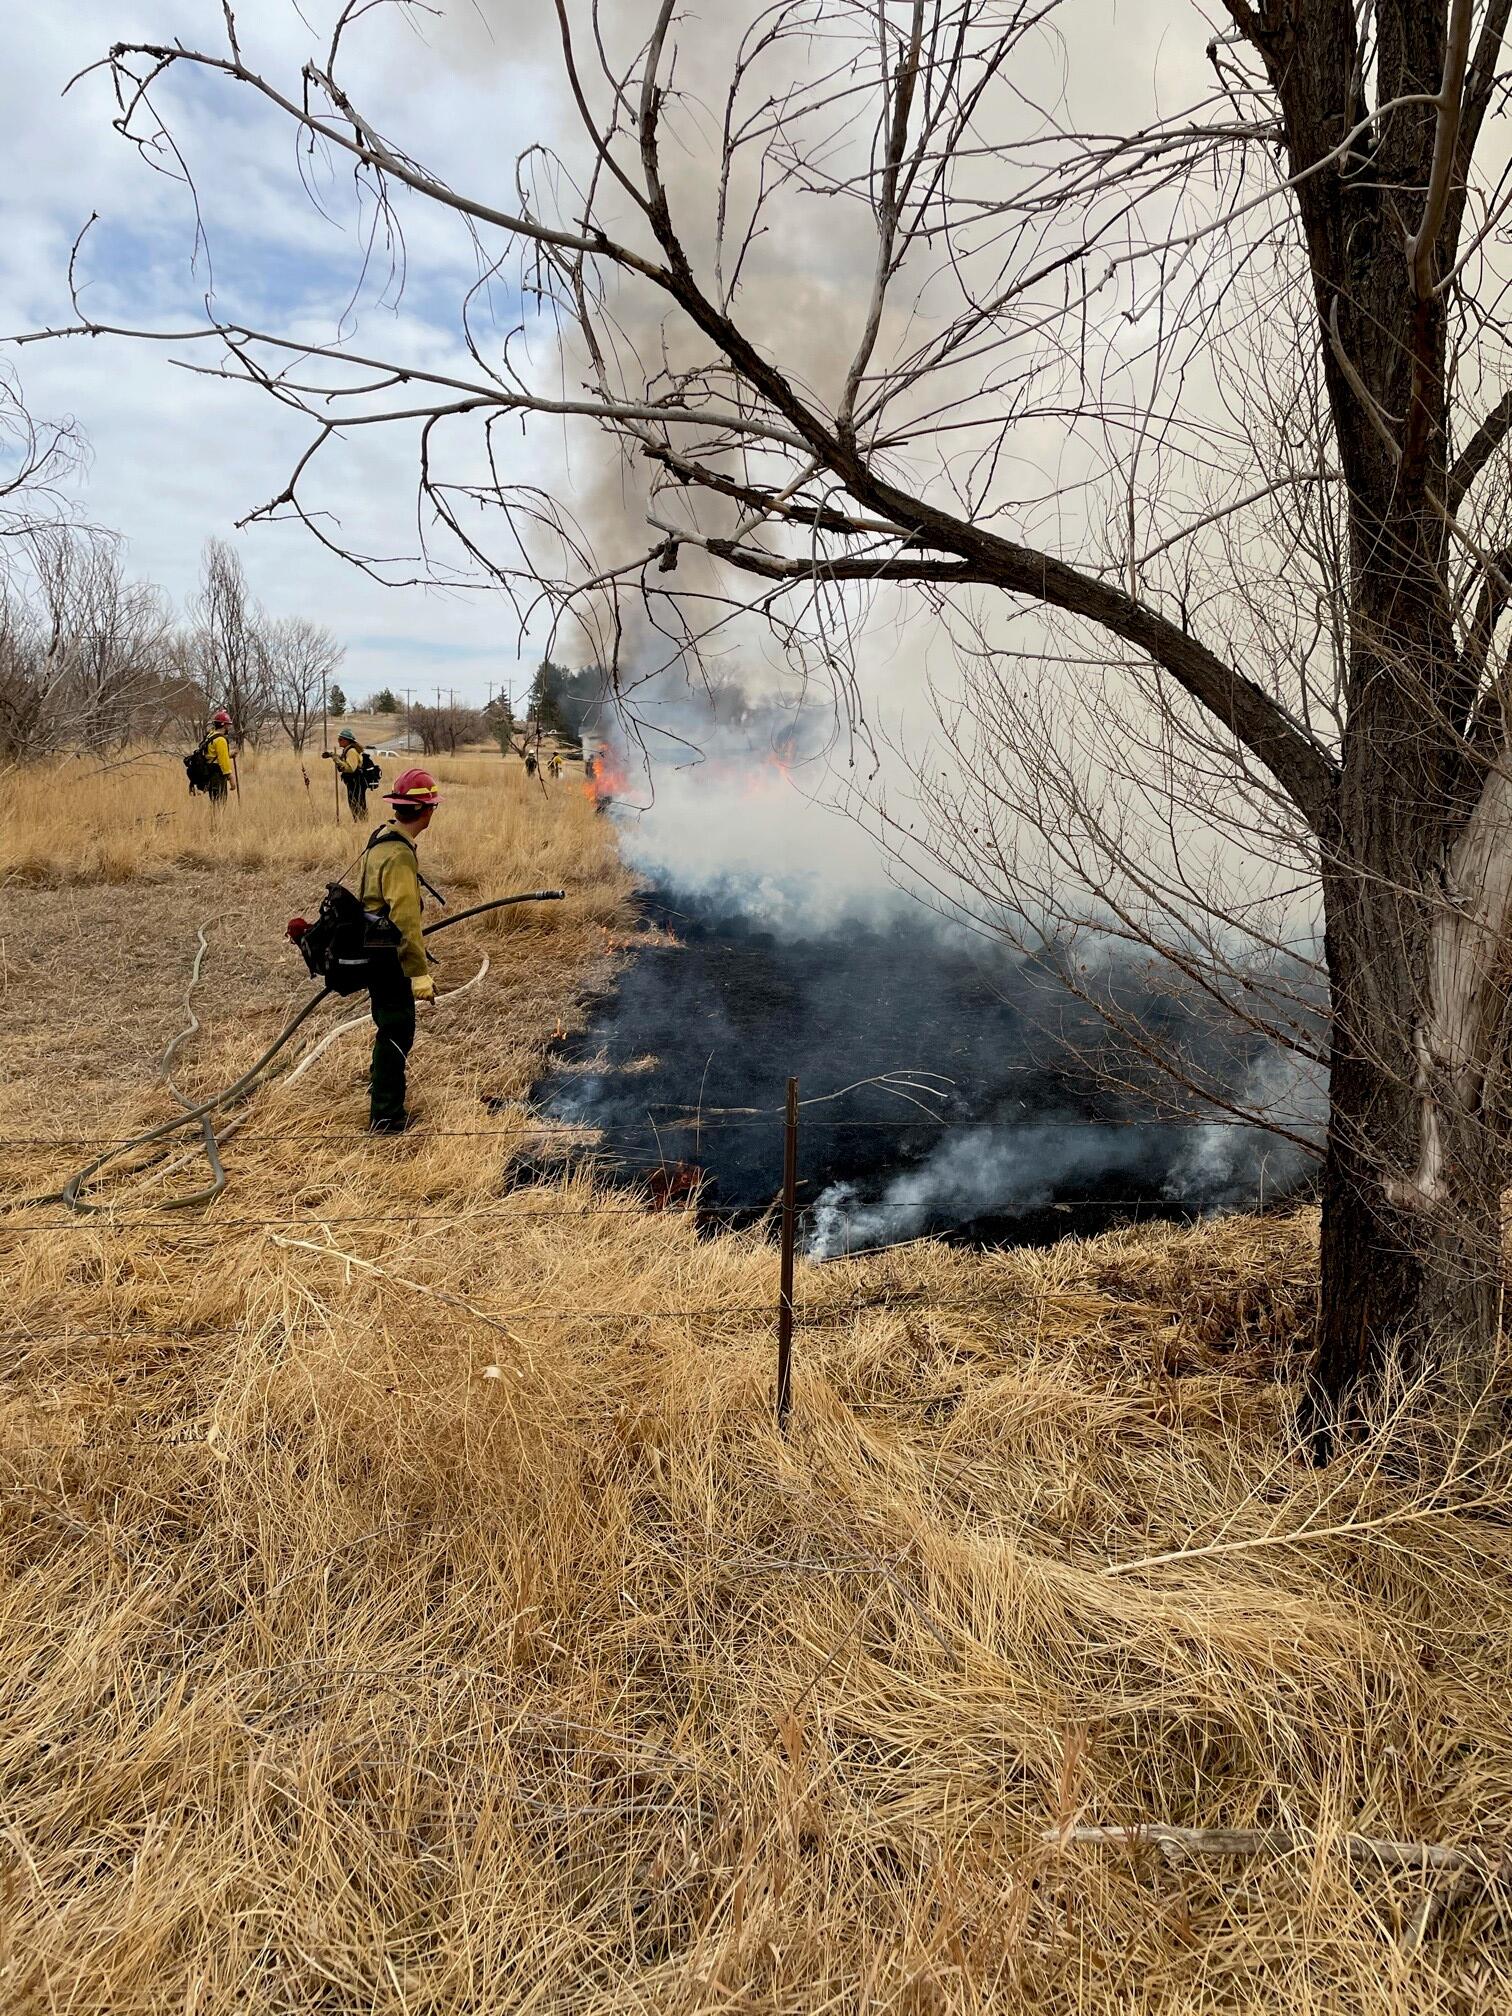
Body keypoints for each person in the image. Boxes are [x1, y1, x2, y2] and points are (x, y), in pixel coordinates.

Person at [359, 767, 440, 1134]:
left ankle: (382, 1091)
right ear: (427, 811)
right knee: (396, 1030)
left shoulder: (383, 838)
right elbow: (405, 918)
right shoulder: (399, 854)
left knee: (388, 1027)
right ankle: (387, 1117)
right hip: (387, 954)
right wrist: (418, 972)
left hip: (374, 948)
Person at [324, 729, 369, 821]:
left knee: (356, 802)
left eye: (340, 739)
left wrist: (336, 759)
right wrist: (332, 755)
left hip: (356, 781)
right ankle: (360, 822)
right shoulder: (347, 750)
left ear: (347, 740)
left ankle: (361, 823)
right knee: (354, 802)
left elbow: (350, 768)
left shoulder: (351, 751)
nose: (338, 741)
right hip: (353, 781)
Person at [202, 710, 234, 808]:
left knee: (214, 800)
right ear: (224, 725)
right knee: (220, 802)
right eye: (228, 725)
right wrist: (230, 778)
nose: (229, 727)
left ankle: (214, 820)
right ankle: (217, 822)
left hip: (209, 772)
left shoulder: (210, 735)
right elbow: (223, 761)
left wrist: (229, 754)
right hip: (217, 774)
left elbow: (213, 754)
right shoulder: (221, 740)